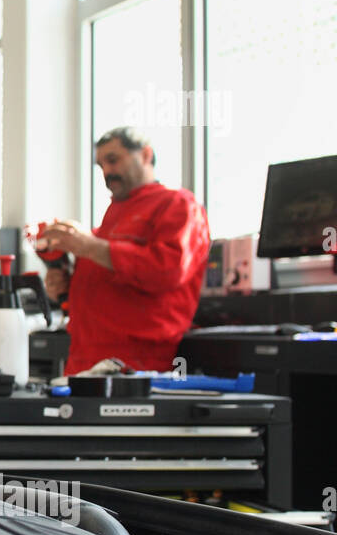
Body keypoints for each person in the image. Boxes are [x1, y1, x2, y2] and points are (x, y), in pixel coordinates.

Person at [35, 126, 210, 376]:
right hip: (84, 359)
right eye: (101, 165)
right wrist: (64, 286)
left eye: (113, 160)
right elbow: (108, 281)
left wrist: (89, 246)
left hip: (138, 362)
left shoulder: (179, 205)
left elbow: (168, 270)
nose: (107, 171)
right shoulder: (108, 224)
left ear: (146, 155)